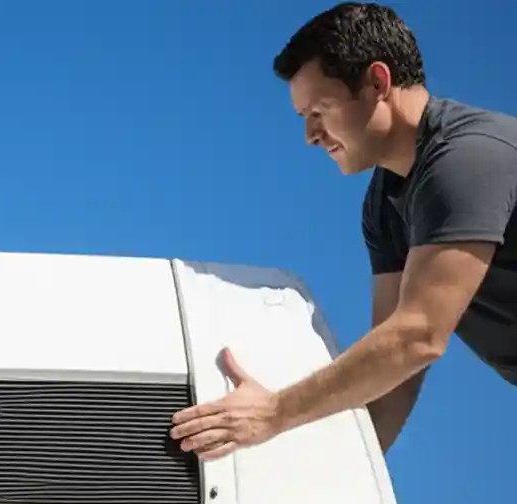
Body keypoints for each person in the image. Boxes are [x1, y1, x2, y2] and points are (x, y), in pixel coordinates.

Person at [170, 2, 517, 460]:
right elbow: (396, 366)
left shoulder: (467, 159)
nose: (310, 136)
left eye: (320, 110)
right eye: (304, 118)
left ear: (377, 82)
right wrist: (347, 490)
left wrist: (273, 413)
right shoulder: (385, 204)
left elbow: (417, 338)